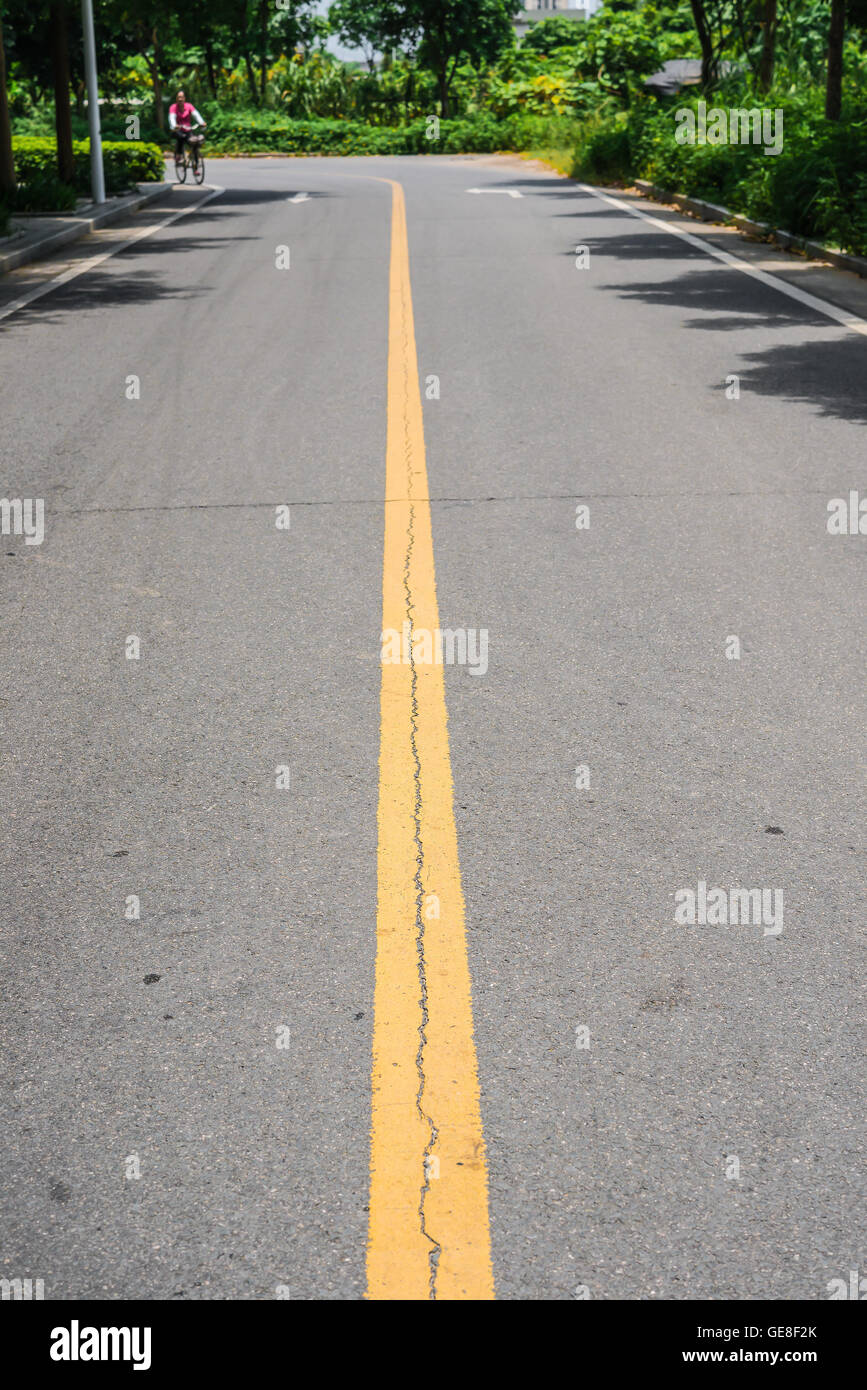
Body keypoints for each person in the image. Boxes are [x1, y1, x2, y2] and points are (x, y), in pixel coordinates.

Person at [168, 91, 206, 162]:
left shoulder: (189, 106)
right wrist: (174, 125)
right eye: (178, 97)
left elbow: (196, 115)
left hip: (188, 129)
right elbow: (172, 118)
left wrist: (202, 123)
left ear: (184, 98)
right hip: (177, 130)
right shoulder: (173, 107)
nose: (180, 99)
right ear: (176, 99)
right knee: (181, 137)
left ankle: (196, 162)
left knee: (194, 141)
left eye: (181, 97)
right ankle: (179, 154)